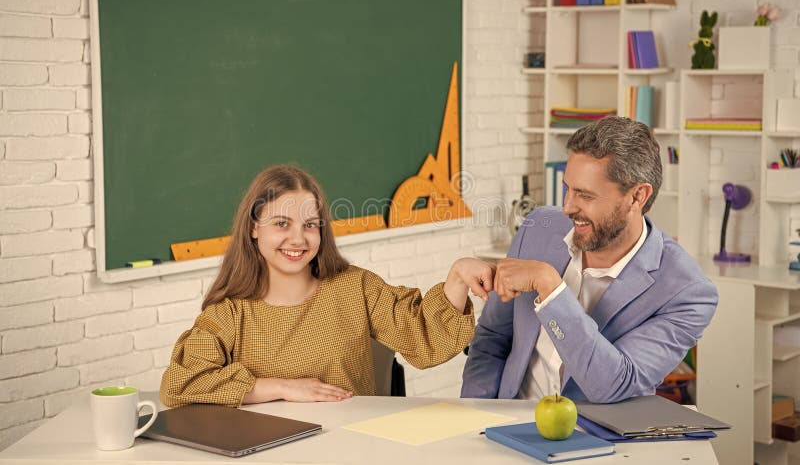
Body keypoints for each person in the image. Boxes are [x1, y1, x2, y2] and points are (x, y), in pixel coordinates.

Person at [161, 165, 493, 407]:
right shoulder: (229, 312)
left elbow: (424, 337)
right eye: (281, 224)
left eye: (310, 225)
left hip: (352, 447)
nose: (297, 238)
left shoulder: (355, 287)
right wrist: (282, 388)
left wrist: (458, 276)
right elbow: (181, 384)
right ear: (253, 229)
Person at [461, 117, 718, 403]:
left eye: (585, 195)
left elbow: (614, 384)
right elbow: (492, 338)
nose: (568, 207)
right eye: (567, 188)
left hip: (600, 440)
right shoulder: (538, 229)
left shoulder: (687, 292)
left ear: (637, 197)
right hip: (507, 427)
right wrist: (476, 416)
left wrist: (551, 288)